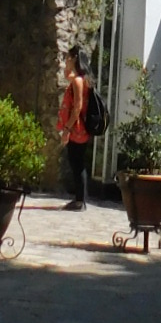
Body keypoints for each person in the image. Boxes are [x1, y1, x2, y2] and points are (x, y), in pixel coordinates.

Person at [57, 46, 94, 211]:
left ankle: (80, 200)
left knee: (76, 162)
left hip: (77, 127)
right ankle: (80, 199)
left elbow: (77, 107)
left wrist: (67, 128)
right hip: (78, 127)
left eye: (68, 57)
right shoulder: (81, 79)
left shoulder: (79, 81)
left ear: (74, 58)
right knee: (77, 162)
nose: (66, 60)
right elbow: (67, 74)